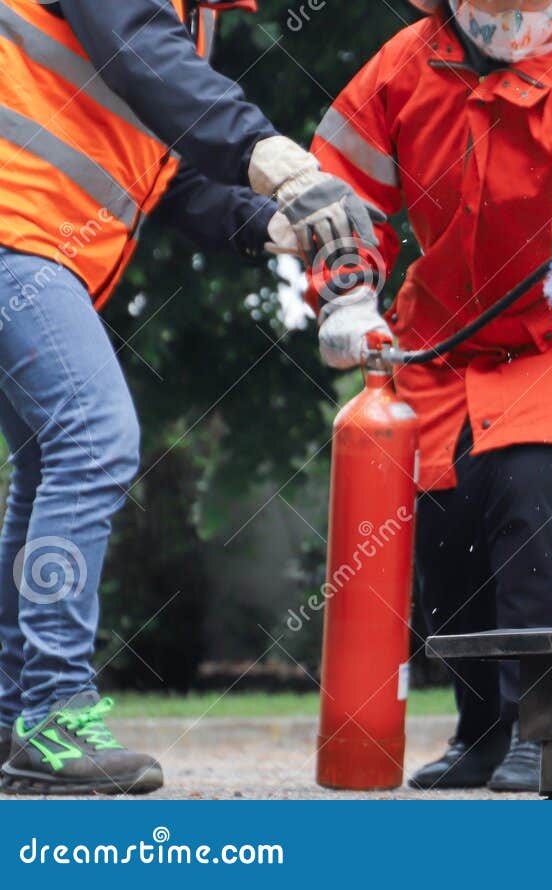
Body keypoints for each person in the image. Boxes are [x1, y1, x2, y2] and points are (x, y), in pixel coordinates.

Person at [0, 0, 375, 795]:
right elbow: (143, 56)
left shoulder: (191, 20)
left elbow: (167, 179)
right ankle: (55, 713)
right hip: (14, 231)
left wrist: (276, 224)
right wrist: (282, 163)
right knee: (93, 439)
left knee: (46, 462)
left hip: (32, 243)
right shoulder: (152, 24)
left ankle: (13, 720)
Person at [308, 0, 552, 791]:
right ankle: (482, 731)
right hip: (443, 347)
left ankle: (541, 729)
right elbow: (339, 188)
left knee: (537, 513)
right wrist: (347, 292)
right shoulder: (404, 64)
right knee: (446, 536)